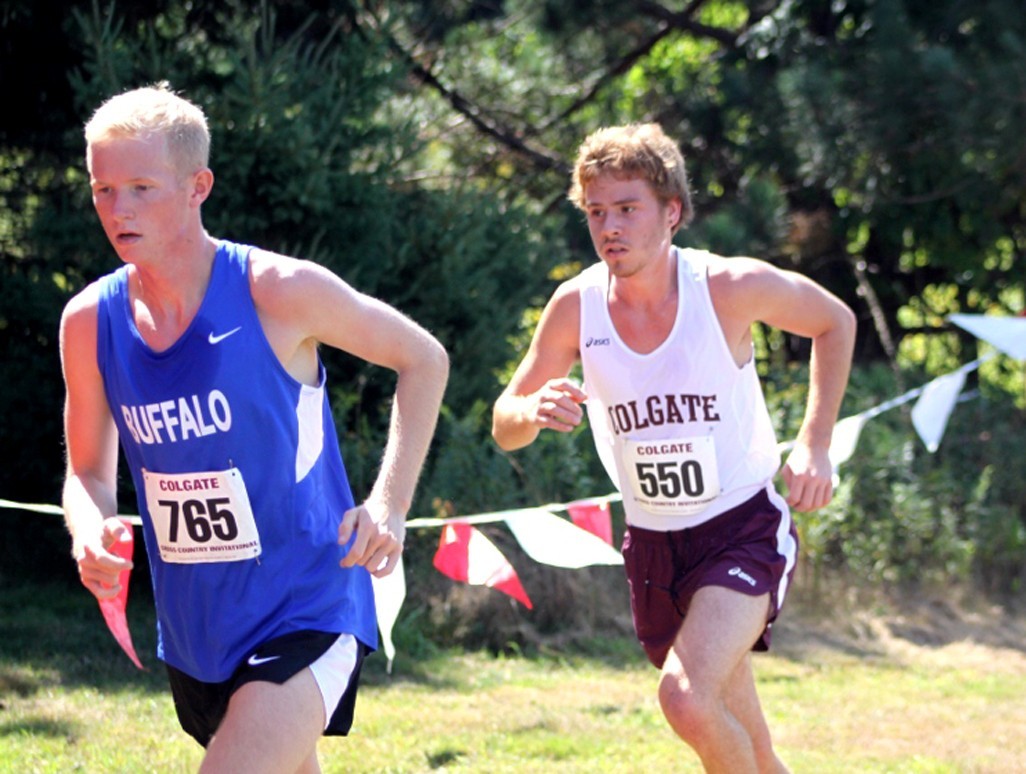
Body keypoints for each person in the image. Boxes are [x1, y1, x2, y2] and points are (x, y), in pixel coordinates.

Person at [60, 82, 449, 773]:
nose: (117, 210)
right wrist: (90, 528)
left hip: (309, 602)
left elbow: (422, 358)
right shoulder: (90, 322)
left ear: (196, 186)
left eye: (141, 188)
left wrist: (389, 503)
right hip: (198, 631)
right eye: (102, 190)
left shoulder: (277, 291)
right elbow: (87, 470)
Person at [492, 123, 855, 773]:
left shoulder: (727, 287)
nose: (610, 227)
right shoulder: (575, 306)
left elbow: (836, 321)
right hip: (656, 542)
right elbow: (504, 422)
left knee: (686, 700)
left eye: (627, 208)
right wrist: (530, 409)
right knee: (751, 742)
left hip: (742, 526)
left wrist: (816, 444)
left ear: (673, 212)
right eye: (597, 212)